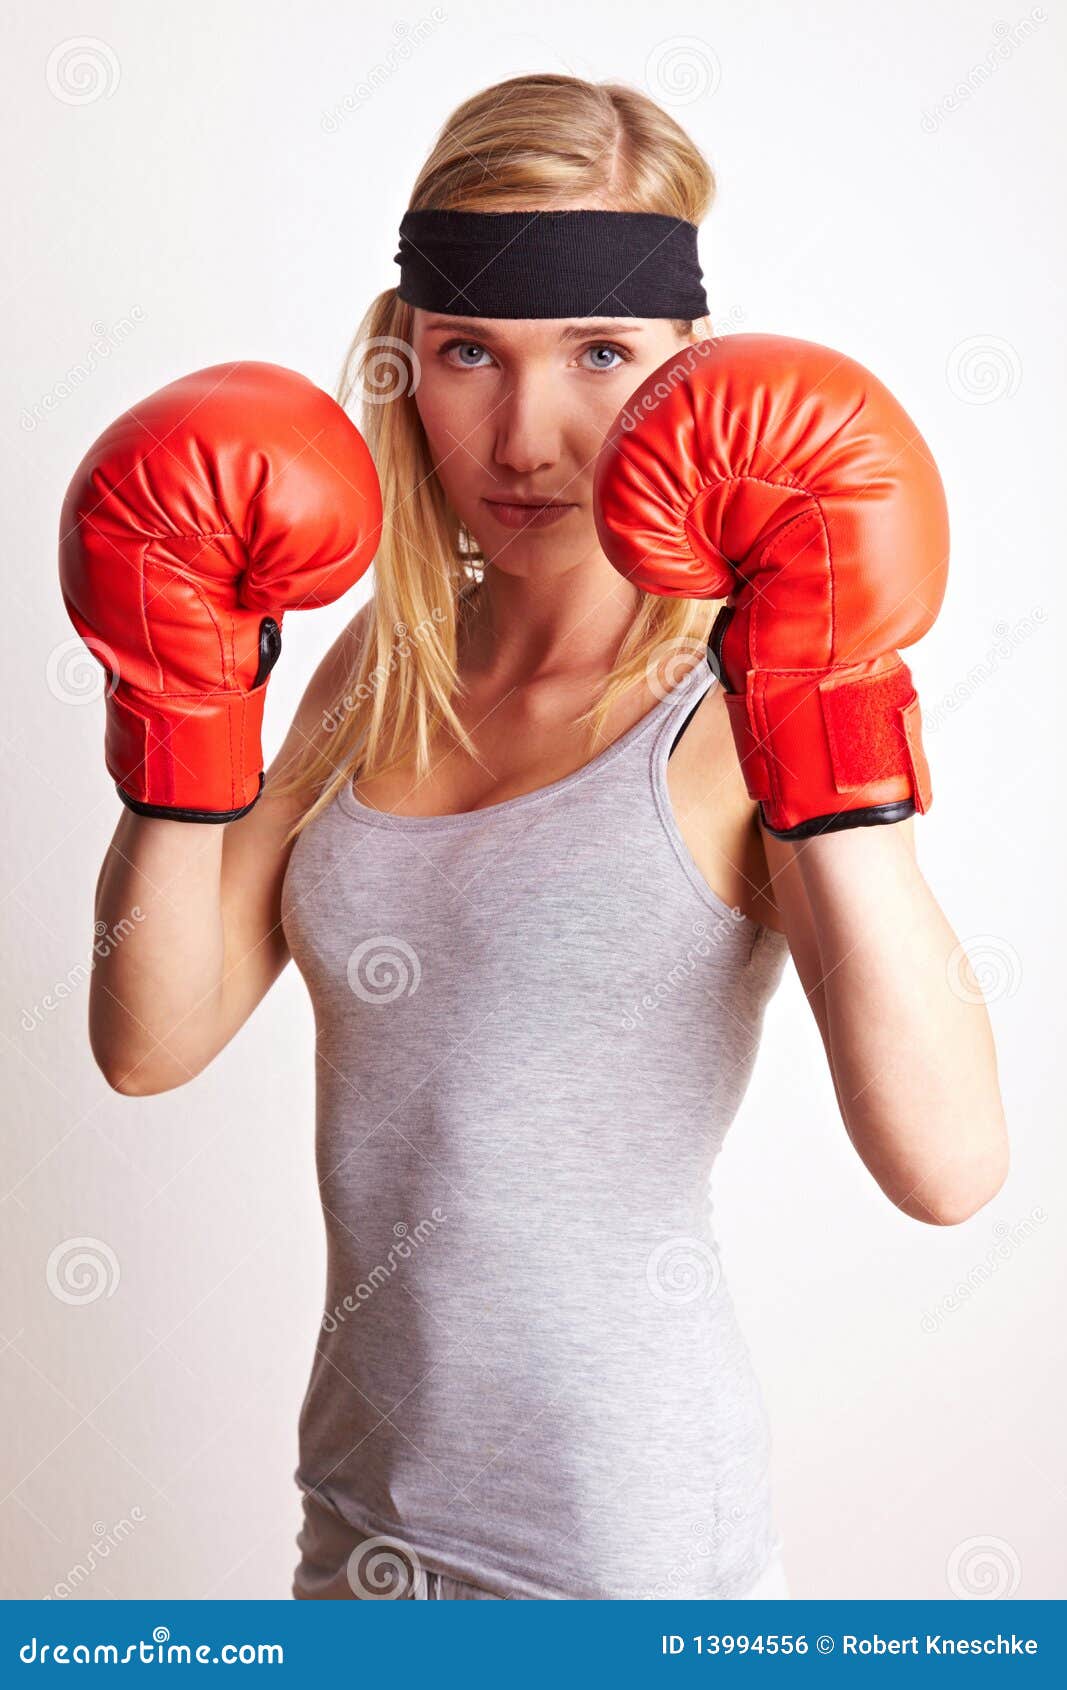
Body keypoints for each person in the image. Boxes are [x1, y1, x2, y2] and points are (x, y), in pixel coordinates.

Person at [63, 74, 1008, 1602]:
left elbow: (953, 1165)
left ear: (689, 366)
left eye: (599, 353)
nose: (526, 432)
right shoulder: (385, 663)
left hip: (622, 1549)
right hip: (363, 1528)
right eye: (467, 356)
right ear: (405, 362)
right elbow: (150, 1036)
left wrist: (825, 727)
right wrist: (181, 691)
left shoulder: (732, 707)